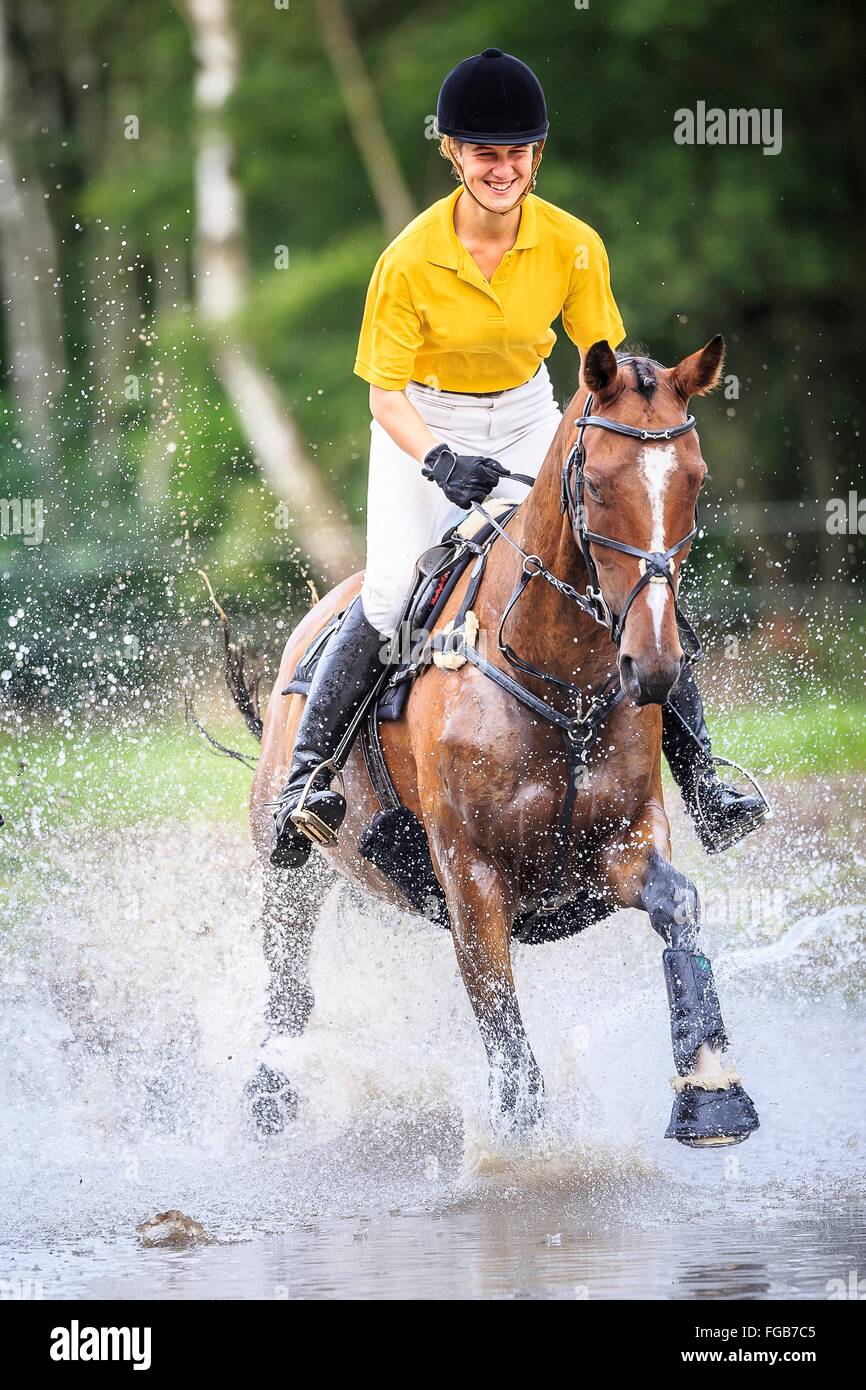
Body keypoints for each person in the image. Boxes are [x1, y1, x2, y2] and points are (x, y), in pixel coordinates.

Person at [270, 47, 766, 868]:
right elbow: (383, 397)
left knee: (628, 575)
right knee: (394, 589)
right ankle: (307, 778)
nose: (501, 169)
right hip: (420, 422)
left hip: (530, 411)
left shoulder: (574, 246)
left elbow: (605, 368)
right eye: (484, 154)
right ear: (453, 155)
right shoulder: (407, 259)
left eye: (515, 154)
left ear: (537, 157)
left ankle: (704, 781)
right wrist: (438, 462)